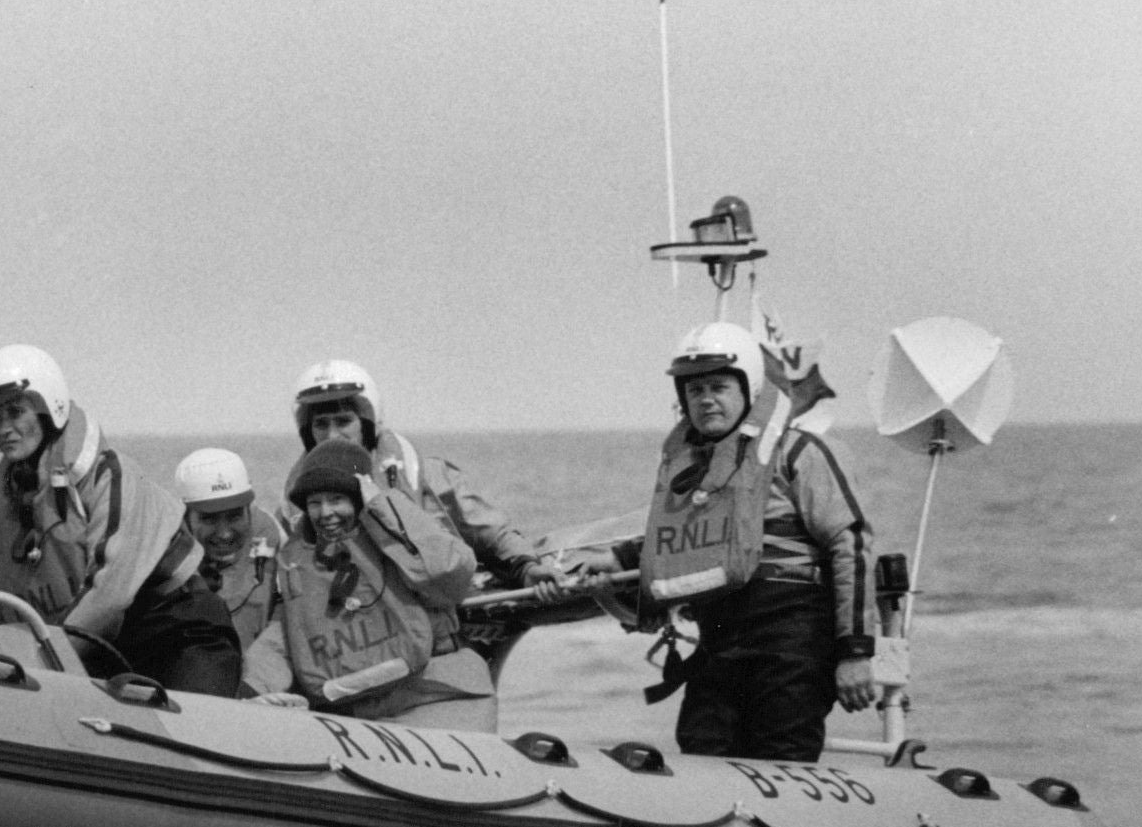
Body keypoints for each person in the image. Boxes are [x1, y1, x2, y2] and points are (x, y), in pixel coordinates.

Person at [639, 321, 876, 761]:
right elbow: (660, 542)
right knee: (700, 749)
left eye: (718, 387)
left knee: (782, 755)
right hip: (719, 639)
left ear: (748, 388)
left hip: (791, 640)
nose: (706, 399)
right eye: (694, 391)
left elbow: (851, 545)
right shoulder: (687, 473)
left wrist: (855, 652)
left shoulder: (800, 453)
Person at [0, 345, 241, 697]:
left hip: (176, 632)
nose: (4, 428)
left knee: (197, 725)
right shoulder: (6, 500)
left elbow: (111, 593)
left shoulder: (109, 474)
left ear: (51, 407)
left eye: (16, 412)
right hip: (95, 644)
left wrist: (46, 658)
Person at [243, 441, 497, 730]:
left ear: (359, 497)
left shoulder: (399, 540)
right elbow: (284, 639)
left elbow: (450, 572)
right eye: (315, 503)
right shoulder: (299, 562)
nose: (325, 513)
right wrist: (248, 692)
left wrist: (384, 506)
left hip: (440, 693)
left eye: (337, 499)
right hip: (357, 712)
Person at [289, 359, 580, 604]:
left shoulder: (425, 475)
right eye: (320, 424)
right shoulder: (294, 500)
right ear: (307, 430)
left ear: (365, 423)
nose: (331, 436)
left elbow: (489, 532)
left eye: (342, 422)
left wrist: (527, 568)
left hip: (425, 610)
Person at [173, 448, 286, 654]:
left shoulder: (275, 539)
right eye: (209, 519)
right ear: (184, 517)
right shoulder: (162, 561)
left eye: (235, 516)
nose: (224, 534)